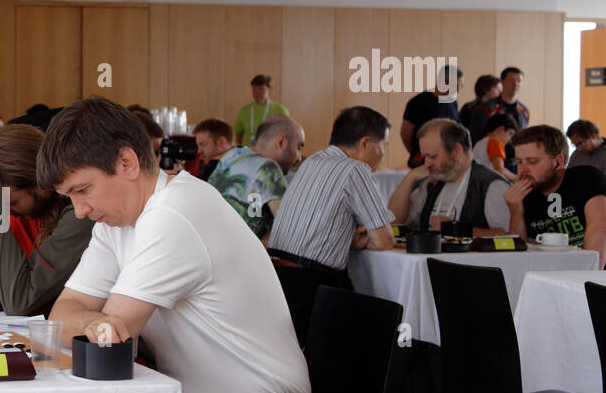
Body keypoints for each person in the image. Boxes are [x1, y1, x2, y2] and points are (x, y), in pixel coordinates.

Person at [39, 97, 311, 393]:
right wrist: (97, 323)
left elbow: (115, 331)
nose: (79, 211)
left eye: (83, 190)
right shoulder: (117, 223)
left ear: (128, 164)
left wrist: (98, 323)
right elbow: (64, 313)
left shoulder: (175, 212)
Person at [268, 107, 395, 342]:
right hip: (311, 287)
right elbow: (385, 241)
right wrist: (363, 240)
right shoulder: (355, 170)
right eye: (384, 146)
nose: (383, 154)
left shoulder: (311, 163)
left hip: (275, 280)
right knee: (383, 327)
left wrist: (348, 239)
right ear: (366, 143)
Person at [0, 124, 93, 315]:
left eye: (12, 202)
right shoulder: (21, 216)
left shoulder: (81, 214)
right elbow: (23, 272)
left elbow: (19, 301)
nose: (8, 213)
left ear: (40, 184)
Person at [386, 119, 510, 235]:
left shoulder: (491, 185)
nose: (426, 164)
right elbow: (394, 222)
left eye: (433, 157)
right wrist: (410, 178)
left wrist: (456, 229)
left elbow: (507, 235)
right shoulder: (435, 180)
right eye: (425, 157)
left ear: (456, 151)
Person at [504, 125, 606, 266]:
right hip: (551, 275)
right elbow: (519, 255)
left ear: (558, 162)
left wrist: (587, 281)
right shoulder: (524, 194)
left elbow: (600, 230)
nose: (523, 170)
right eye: (519, 162)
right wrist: (515, 212)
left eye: (532, 161)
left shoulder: (587, 177)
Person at [209, 115, 305, 242]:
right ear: (281, 141)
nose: (299, 158)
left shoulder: (233, 155)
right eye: (298, 147)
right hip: (238, 256)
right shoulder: (268, 168)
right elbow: (290, 227)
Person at [401, 65, 462, 168]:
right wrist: (418, 152)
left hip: (447, 162)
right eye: (455, 85)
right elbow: (406, 133)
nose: (458, 90)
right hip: (424, 162)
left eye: (460, 86)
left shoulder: (453, 103)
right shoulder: (418, 102)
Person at [233, 74, 289, 147]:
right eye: (254, 88)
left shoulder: (280, 110)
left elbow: (286, 134)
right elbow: (239, 134)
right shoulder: (244, 110)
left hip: (270, 153)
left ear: (269, 90)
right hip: (248, 152)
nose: (256, 91)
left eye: (260, 88)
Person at [473, 113, 518, 183]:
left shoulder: (479, 143)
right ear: (501, 129)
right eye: (510, 134)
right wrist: (517, 178)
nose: (510, 140)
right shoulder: (495, 143)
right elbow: (500, 170)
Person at [462, 74, 501, 145]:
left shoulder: (468, 106)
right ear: (486, 89)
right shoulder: (476, 108)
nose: (500, 92)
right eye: (496, 88)